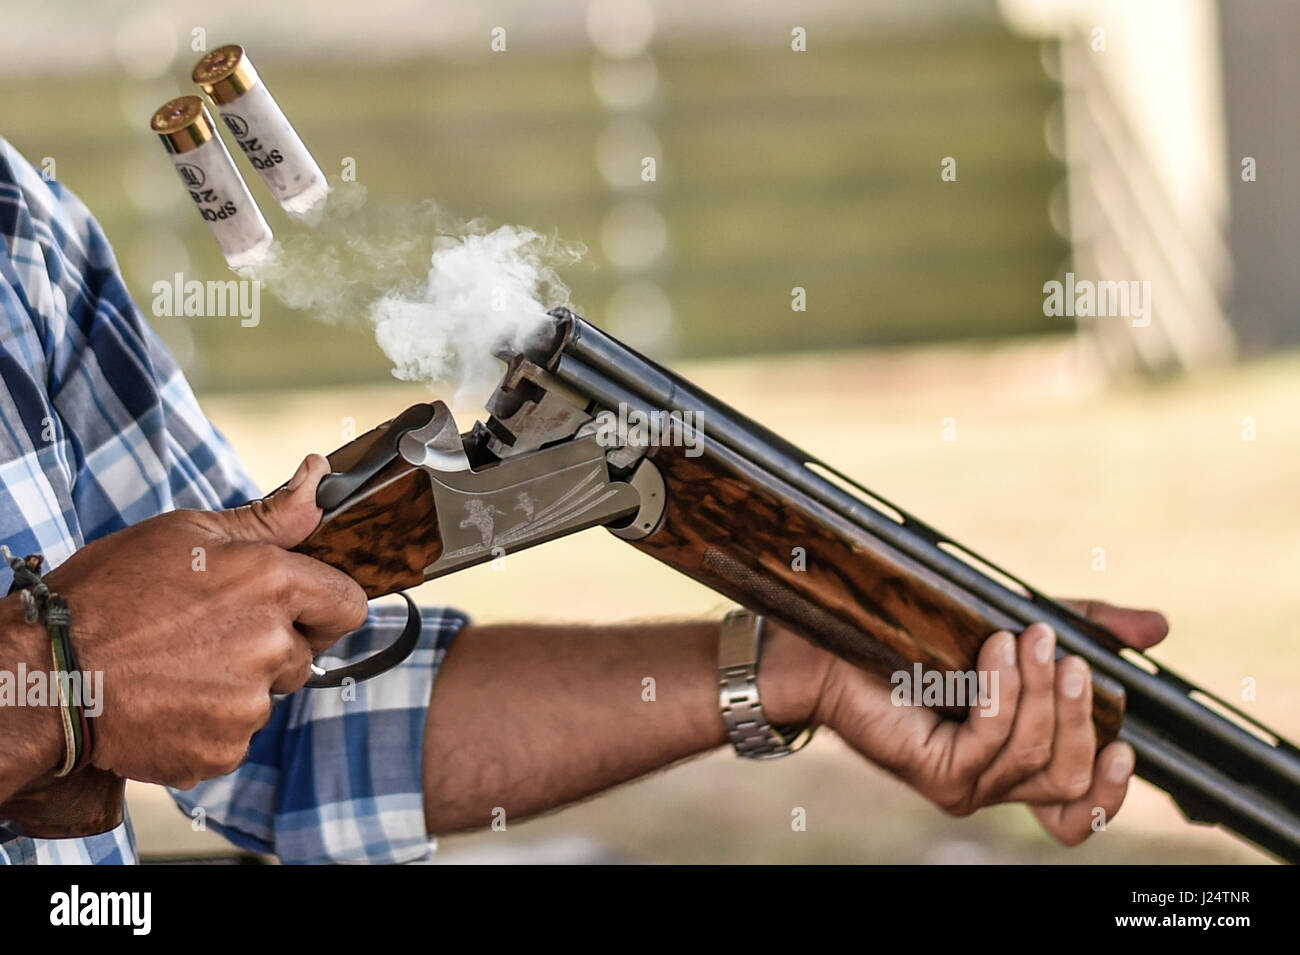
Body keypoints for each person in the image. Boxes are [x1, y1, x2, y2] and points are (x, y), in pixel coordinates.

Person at [0, 139, 1168, 864]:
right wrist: (49, 686)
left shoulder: (23, 240)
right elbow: (117, 671)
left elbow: (282, 724)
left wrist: (810, 661)